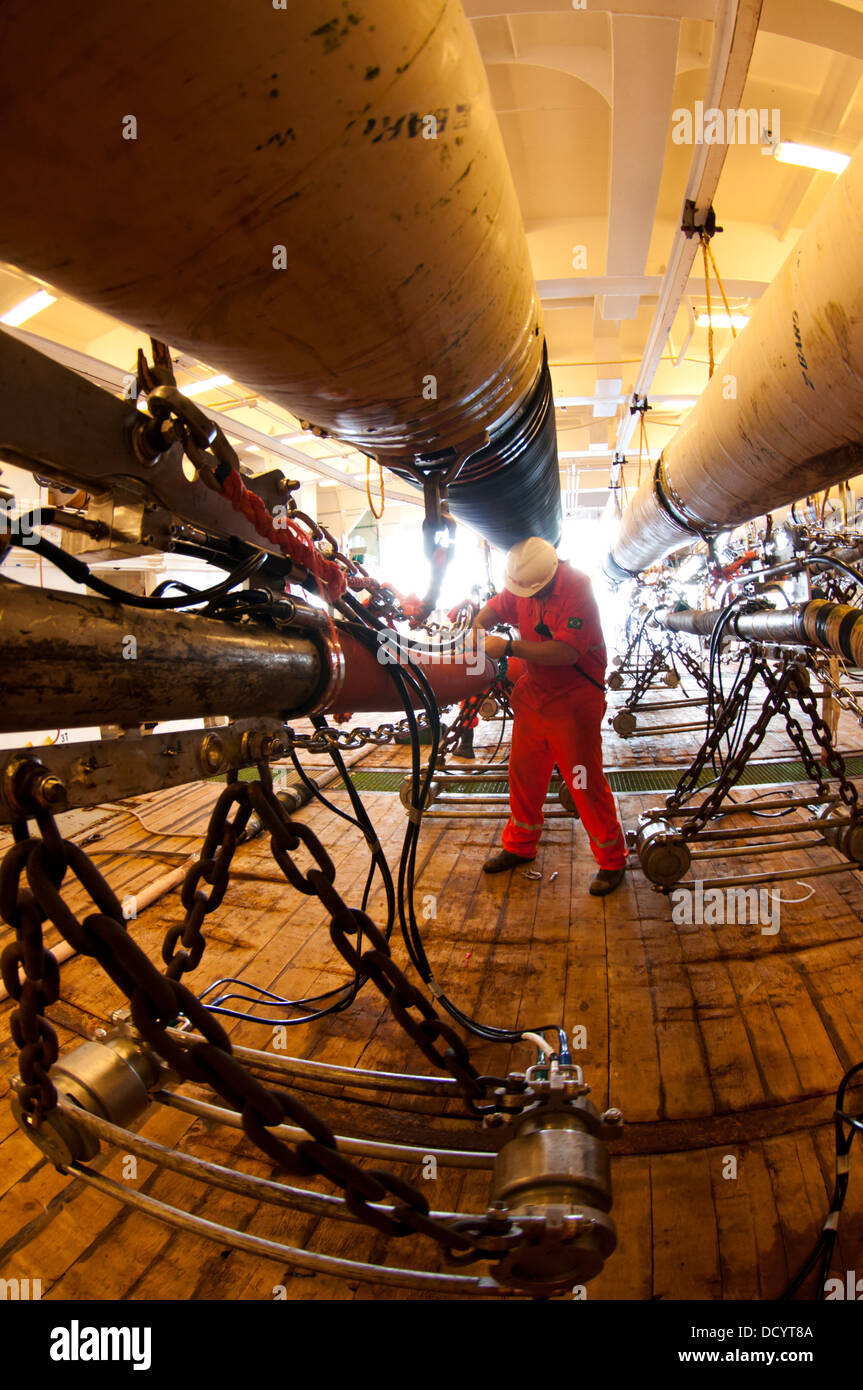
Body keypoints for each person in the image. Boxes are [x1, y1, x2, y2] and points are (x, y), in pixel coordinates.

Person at [473, 537, 627, 896]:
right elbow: (496, 607)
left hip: (574, 702)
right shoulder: (524, 585)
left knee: (583, 781)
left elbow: (566, 653)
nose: (524, 600)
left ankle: (612, 859)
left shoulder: (577, 587)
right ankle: (519, 845)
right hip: (535, 696)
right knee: (524, 774)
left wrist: (508, 646)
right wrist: (479, 626)